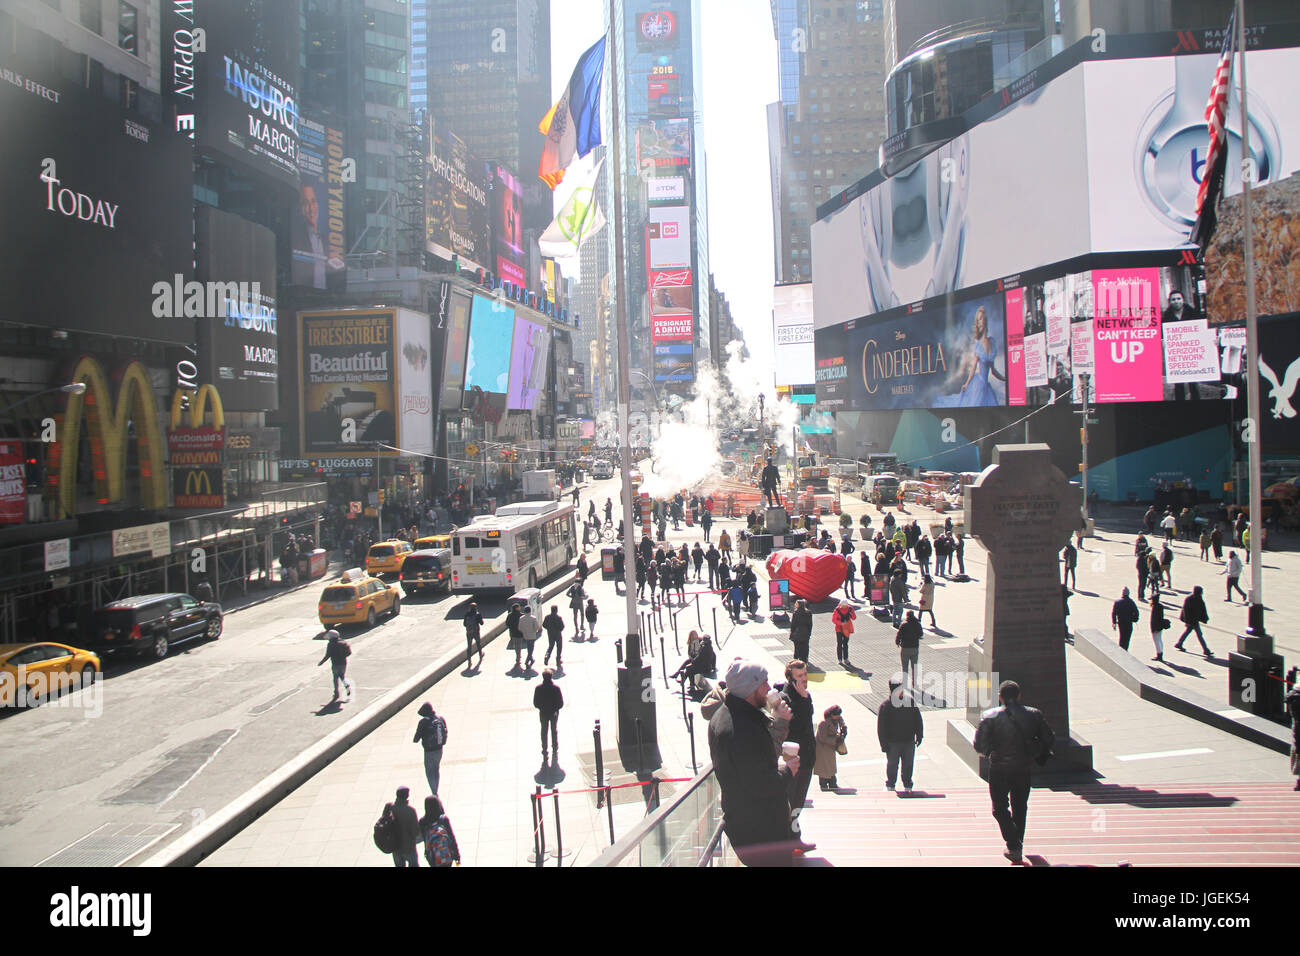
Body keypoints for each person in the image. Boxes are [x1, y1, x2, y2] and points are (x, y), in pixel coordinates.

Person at [707, 659, 807, 865]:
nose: (769, 688)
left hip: (747, 824)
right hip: (760, 831)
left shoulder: (725, 716)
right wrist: (788, 771)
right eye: (764, 683)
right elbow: (760, 784)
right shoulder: (742, 730)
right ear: (751, 688)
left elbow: (749, 771)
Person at [973, 681, 1055, 863]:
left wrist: (991, 751)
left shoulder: (989, 716)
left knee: (999, 808)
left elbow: (979, 745)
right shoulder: (1034, 714)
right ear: (1019, 696)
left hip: (999, 768)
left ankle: (1014, 844)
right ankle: (1017, 844)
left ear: (1000, 696)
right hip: (1023, 767)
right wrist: (1033, 750)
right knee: (1020, 806)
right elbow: (1049, 738)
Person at [778, 661, 816, 831]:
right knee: (792, 800)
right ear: (790, 679)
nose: (804, 679)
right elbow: (798, 726)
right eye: (799, 676)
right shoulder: (786, 699)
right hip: (795, 758)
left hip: (807, 758)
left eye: (805, 674)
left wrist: (805, 699)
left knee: (799, 801)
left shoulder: (804, 696)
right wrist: (805, 701)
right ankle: (790, 836)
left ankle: (794, 835)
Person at [877, 677, 924, 792]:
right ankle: (890, 785)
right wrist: (883, 744)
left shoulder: (910, 702)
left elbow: (918, 720)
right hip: (893, 743)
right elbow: (881, 728)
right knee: (892, 765)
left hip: (908, 741)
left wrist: (919, 735)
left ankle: (908, 785)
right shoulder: (886, 706)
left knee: (908, 765)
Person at [413, 702, 448, 795]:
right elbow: (446, 732)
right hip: (439, 749)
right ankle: (436, 788)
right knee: (436, 769)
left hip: (429, 751)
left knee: (429, 771)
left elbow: (416, 738)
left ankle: (434, 791)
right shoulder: (440, 719)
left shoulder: (423, 722)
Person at [419, 795, 461, 867]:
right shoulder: (443, 819)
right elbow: (452, 838)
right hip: (447, 855)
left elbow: (425, 839)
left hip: (433, 856)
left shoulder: (422, 821)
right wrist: (457, 855)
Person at [534, 668, 564, 765]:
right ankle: (555, 746)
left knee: (544, 730)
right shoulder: (556, 688)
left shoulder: (538, 688)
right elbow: (560, 703)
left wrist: (542, 707)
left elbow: (536, 703)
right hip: (553, 713)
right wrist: (555, 709)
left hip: (543, 712)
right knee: (553, 729)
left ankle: (544, 748)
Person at [815, 705, 848, 791]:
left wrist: (843, 726)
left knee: (831, 766)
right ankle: (824, 784)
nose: (838, 717)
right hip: (823, 748)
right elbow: (823, 738)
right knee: (824, 767)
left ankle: (832, 783)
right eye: (836, 715)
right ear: (831, 715)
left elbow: (841, 720)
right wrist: (836, 740)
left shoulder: (836, 719)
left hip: (830, 747)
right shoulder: (824, 723)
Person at [1174, 585, 1211, 658]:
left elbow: (1202, 608)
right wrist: (1187, 621)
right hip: (1192, 620)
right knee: (1199, 635)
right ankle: (1206, 650)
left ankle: (1179, 643)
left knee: (1188, 632)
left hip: (1194, 619)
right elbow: (1186, 611)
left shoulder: (1196, 598)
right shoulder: (1190, 599)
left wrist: (1204, 618)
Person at [318, 630, 352, 702]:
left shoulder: (331, 644)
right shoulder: (344, 643)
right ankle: (346, 684)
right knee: (342, 676)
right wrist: (343, 656)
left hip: (335, 663)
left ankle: (336, 693)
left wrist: (322, 662)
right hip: (343, 663)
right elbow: (349, 652)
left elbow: (328, 655)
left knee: (335, 678)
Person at [391, 786, 421, 867]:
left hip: (396, 846)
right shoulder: (410, 811)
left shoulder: (391, 809)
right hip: (409, 846)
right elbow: (415, 831)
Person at [895, 611, 923, 687]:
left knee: (905, 667)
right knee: (914, 666)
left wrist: (897, 642)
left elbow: (899, 635)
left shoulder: (904, 625)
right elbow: (921, 634)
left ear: (907, 616)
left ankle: (905, 682)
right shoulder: (917, 624)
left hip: (905, 648)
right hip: (914, 647)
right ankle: (914, 682)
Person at [1111, 587, 1140, 652]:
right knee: (1127, 638)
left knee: (1122, 636)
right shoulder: (1131, 602)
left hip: (1121, 622)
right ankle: (1125, 649)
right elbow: (1136, 612)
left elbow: (1114, 613)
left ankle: (1121, 649)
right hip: (1128, 622)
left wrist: (1114, 622)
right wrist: (1134, 619)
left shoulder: (1117, 602)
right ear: (1128, 594)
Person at [832, 599, 856, 665]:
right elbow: (834, 619)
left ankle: (846, 658)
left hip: (847, 629)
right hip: (839, 629)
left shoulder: (850, 609)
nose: (844, 607)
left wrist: (852, 615)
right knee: (839, 643)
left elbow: (854, 618)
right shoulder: (837, 610)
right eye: (843, 606)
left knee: (845, 643)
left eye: (845, 606)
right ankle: (840, 659)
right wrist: (841, 623)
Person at [1149, 594, 1169, 662]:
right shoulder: (1160, 606)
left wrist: (1155, 628)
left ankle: (1159, 654)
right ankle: (1161, 653)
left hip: (1156, 627)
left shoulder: (1155, 607)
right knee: (1159, 639)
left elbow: (1155, 619)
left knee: (1156, 640)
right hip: (1160, 626)